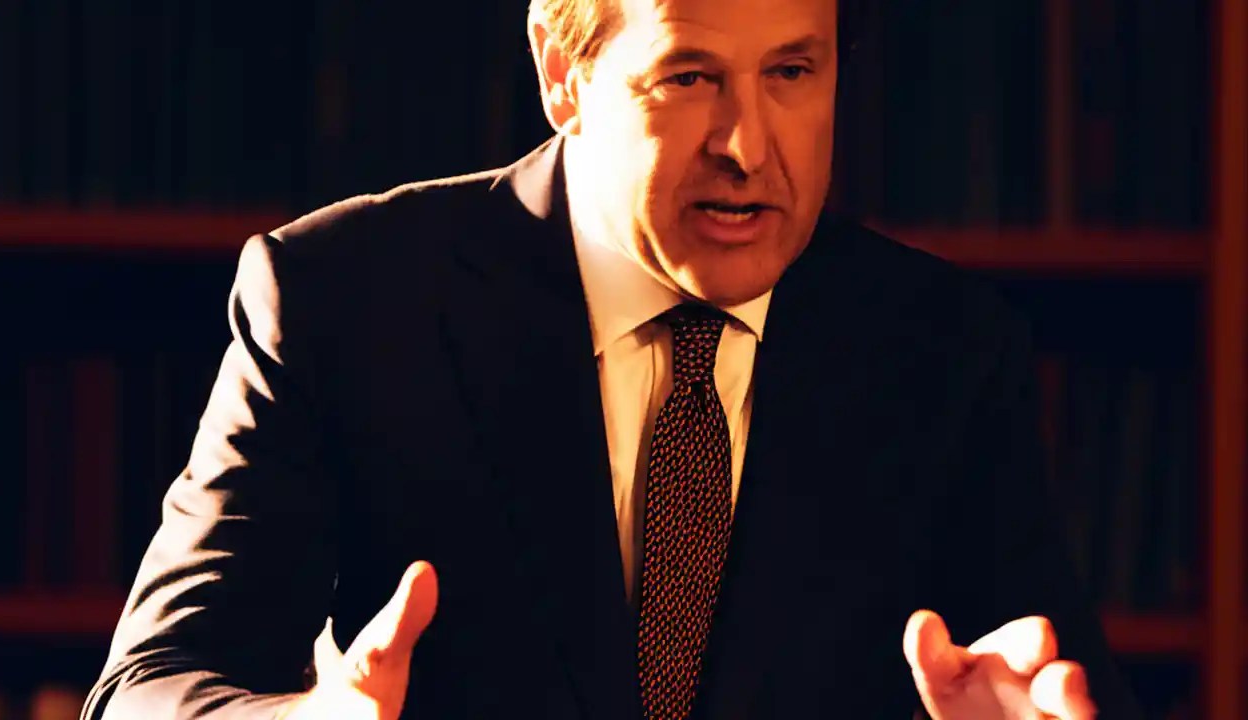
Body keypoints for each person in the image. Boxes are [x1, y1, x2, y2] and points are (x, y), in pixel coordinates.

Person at [82, 0, 1142, 718]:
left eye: (791, 73)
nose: (749, 145)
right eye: (689, 77)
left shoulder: (946, 353)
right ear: (563, 72)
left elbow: (1039, 682)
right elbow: (149, 685)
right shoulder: (341, 301)